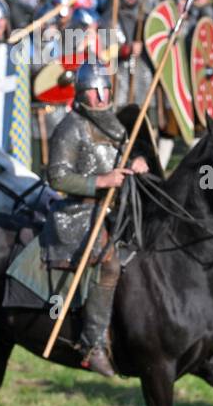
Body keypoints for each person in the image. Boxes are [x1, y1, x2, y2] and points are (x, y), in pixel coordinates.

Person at [45, 62, 150, 376]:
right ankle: (93, 344)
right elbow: (57, 177)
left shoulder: (114, 125)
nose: (102, 95)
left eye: (105, 88)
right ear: (81, 93)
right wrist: (100, 182)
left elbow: (120, 158)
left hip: (115, 209)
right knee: (109, 264)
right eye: (95, 90)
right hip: (79, 214)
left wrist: (137, 161)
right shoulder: (70, 126)